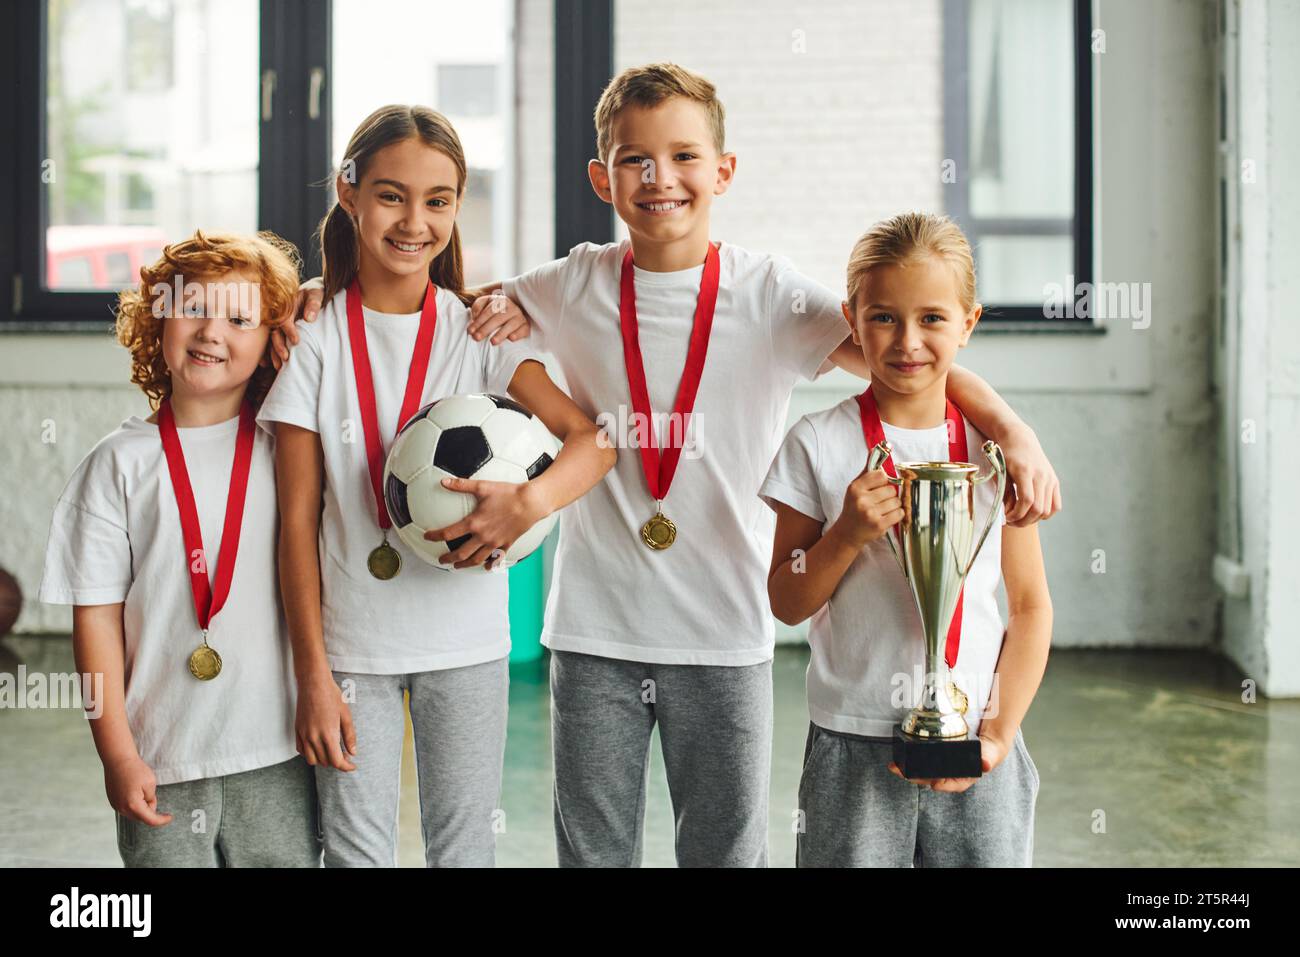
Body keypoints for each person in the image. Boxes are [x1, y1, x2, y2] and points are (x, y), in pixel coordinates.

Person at [258, 104, 615, 867]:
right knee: (356, 851)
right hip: (352, 647)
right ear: (349, 195)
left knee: (464, 850)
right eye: (390, 195)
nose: (414, 220)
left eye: (438, 199)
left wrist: (532, 500)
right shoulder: (313, 341)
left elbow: (596, 441)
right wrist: (312, 674)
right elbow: (294, 525)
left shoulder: (479, 335)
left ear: (457, 205)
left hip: (467, 643)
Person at [762, 211, 1052, 866]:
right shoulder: (816, 442)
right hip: (852, 740)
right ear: (852, 319)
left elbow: (1031, 606)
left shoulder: (997, 452)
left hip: (978, 737)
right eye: (884, 317)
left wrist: (998, 736)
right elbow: (786, 598)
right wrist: (847, 532)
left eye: (932, 318)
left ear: (968, 323)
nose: (907, 340)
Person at [39, 229, 321, 867]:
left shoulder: (292, 450)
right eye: (192, 307)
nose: (211, 331)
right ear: (155, 322)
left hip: (279, 754)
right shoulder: (116, 465)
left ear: (273, 339)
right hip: (161, 757)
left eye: (241, 317)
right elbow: (96, 625)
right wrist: (117, 754)